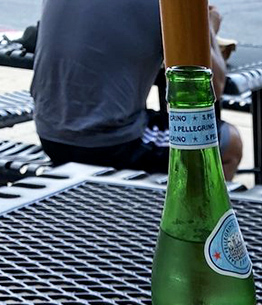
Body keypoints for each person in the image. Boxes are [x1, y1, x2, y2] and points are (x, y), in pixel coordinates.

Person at [30, 0, 242, 179]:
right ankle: (194, 225)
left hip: (49, 134)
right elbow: (214, 86)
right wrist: (207, 27)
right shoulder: (172, 5)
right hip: (110, 143)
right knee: (228, 143)